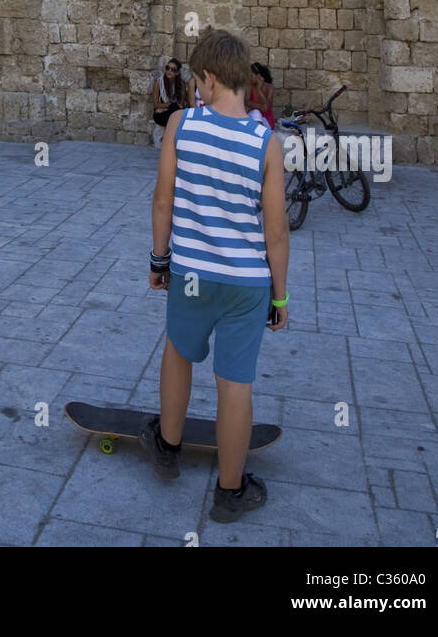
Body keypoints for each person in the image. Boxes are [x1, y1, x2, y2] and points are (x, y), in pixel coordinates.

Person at [141, 29, 289, 522]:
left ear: (206, 78)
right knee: (235, 383)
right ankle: (230, 492)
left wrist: (159, 262)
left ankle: (168, 449)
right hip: (247, 284)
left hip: (190, 276)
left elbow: (163, 200)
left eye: (195, 81)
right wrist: (280, 297)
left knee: (178, 352)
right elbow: (277, 234)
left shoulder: (181, 126)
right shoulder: (267, 144)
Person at [150, 60, 188, 128]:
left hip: (172, 111)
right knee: (174, 112)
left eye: (173, 69)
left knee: (177, 111)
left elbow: (181, 105)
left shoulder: (182, 84)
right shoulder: (158, 83)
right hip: (162, 115)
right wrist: (170, 106)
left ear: (177, 73)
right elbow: (156, 105)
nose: (169, 71)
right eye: (167, 68)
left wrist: (165, 108)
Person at [249, 62, 275, 129]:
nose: (250, 78)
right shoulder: (250, 86)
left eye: (251, 76)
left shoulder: (269, 87)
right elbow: (246, 101)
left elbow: (267, 106)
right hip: (254, 117)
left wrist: (259, 89)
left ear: (258, 76)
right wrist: (259, 106)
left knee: (256, 113)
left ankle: (259, 133)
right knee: (256, 112)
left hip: (267, 120)